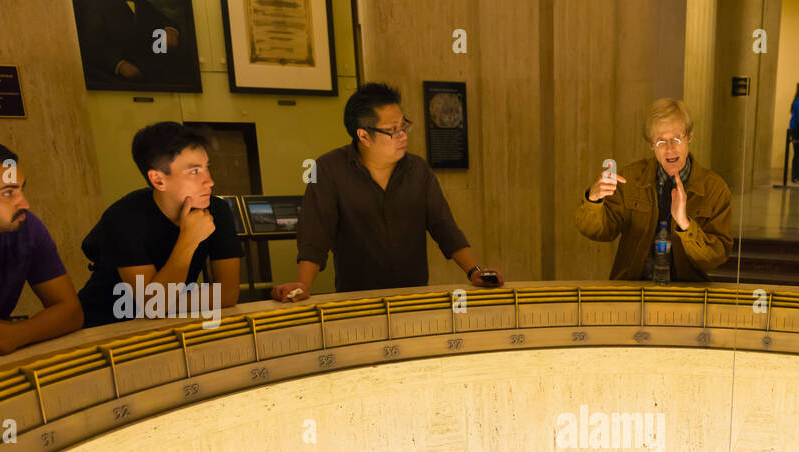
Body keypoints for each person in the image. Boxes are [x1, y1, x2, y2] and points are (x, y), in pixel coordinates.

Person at [273, 83, 499, 302]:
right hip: (358, 302)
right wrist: (303, 285)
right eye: (392, 130)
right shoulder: (327, 170)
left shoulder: (418, 170)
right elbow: (315, 235)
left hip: (413, 298)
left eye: (403, 126)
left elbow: (445, 228)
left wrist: (474, 271)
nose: (403, 135)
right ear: (363, 136)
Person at [78, 123, 241, 326]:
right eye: (194, 171)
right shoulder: (124, 217)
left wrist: (163, 305)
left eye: (207, 167)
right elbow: (153, 305)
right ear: (158, 180)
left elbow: (228, 293)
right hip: (103, 325)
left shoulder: (217, 210)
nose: (209, 181)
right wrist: (188, 240)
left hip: (163, 323)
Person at [576, 97, 733, 282]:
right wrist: (594, 199)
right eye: (660, 142)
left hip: (688, 296)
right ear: (651, 145)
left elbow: (716, 258)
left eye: (676, 139)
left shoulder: (715, 189)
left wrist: (685, 224)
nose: (669, 149)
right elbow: (599, 232)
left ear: (689, 137)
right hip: (634, 291)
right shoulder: (630, 179)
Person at [0, 133, 83, 359]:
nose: (24, 203)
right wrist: (23, 332)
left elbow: (72, 311)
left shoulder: (27, 226)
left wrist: (17, 334)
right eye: (8, 193)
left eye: (21, 189)